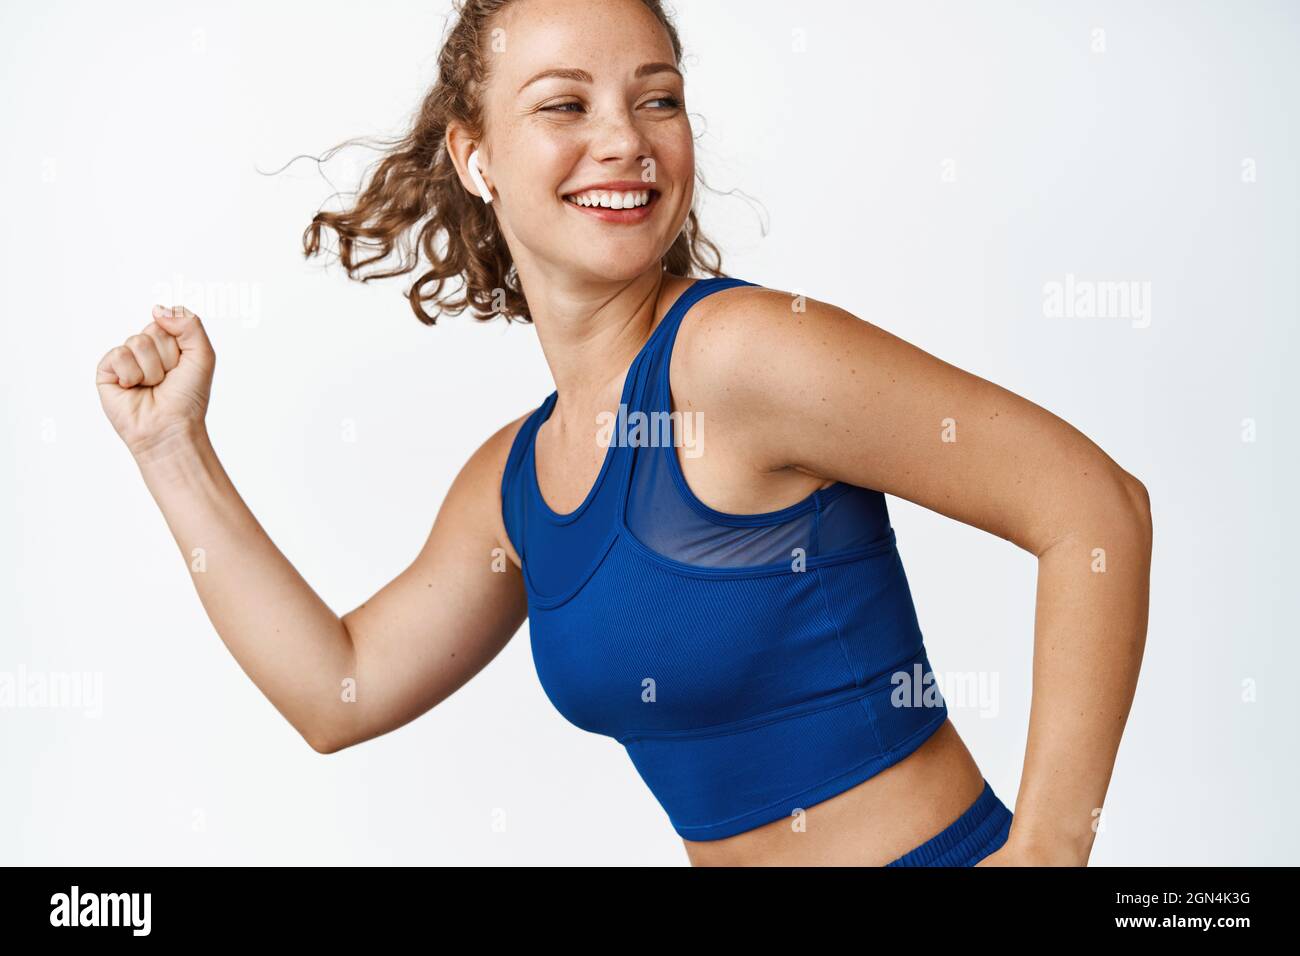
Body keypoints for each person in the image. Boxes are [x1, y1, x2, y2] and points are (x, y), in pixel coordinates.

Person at [94, 0, 1152, 866]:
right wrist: (170, 449)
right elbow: (340, 688)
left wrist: (1047, 851)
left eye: (659, 99)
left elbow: (1092, 506)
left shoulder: (737, 354)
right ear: (477, 157)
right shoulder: (514, 480)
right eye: (565, 103)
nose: (626, 139)